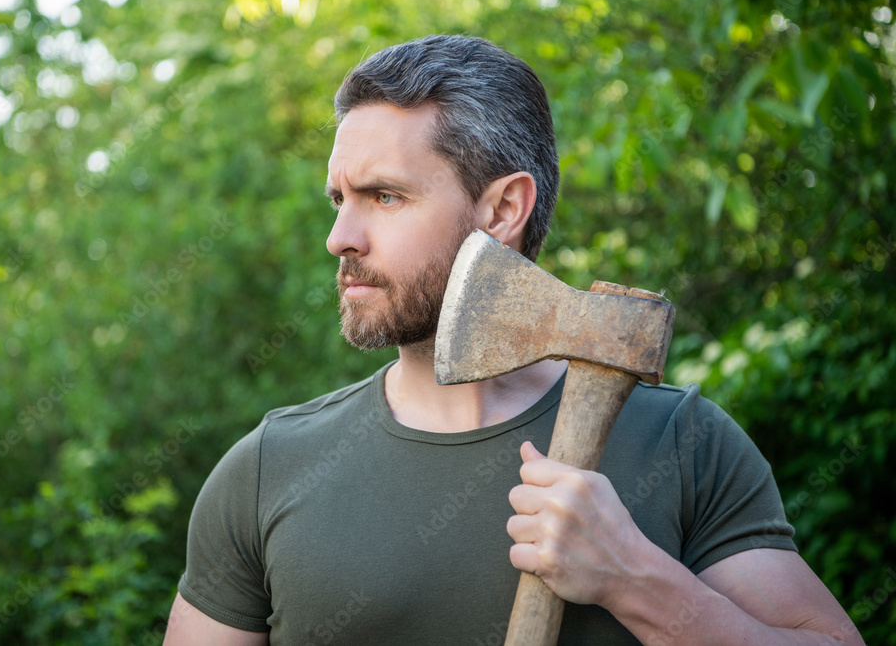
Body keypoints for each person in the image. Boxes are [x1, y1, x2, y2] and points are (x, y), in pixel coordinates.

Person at [163, 35, 863, 645]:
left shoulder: (683, 444)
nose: (340, 237)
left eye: (384, 196)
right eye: (338, 199)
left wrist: (640, 582)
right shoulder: (268, 469)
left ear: (502, 209)